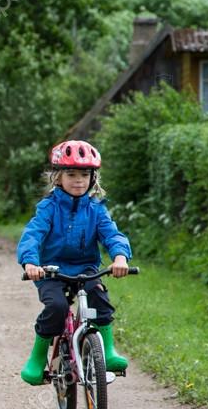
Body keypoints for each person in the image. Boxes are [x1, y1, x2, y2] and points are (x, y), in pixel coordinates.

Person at [16, 139, 132, 385]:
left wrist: (120, 257)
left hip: (86, 269)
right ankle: (37, 358)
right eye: (71, 174)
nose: (78, 180)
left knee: (98, 296)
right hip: (50, 271)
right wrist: (30, 263)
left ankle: (108, 352)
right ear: (58, 177)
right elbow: (32, 236)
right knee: (57, 308)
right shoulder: (48, 208)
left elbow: (112, 235)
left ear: (93, 178)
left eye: (84, 174)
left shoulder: (97, 209)